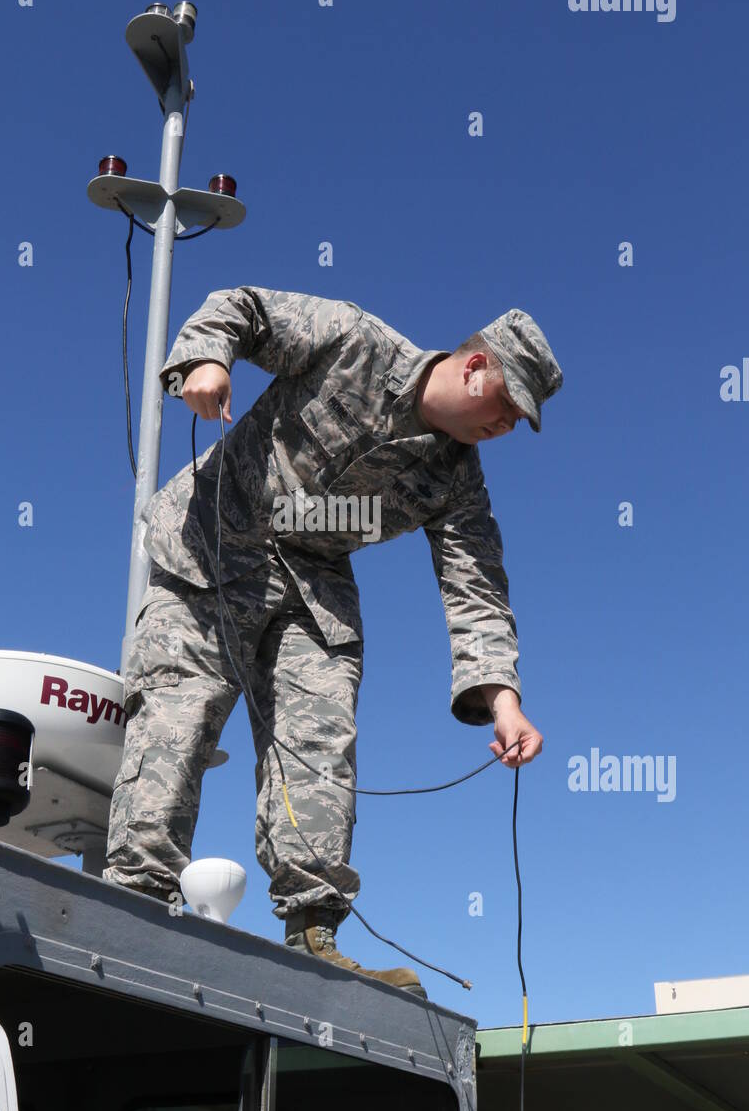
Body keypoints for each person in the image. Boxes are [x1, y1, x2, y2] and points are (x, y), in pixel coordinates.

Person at [102, 287, 563, 994]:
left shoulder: (457, 482)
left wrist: (503, 699)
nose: (505, 425)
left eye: (518, 421)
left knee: (320, 741)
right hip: (213, 550)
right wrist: (206, 358)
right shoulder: (354, 340)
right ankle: (135, 899)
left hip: (311, 590)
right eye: (505, 403)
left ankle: (314, 930)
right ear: (475, 366)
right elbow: (242, 308)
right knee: (180, 719)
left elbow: (476, 588)